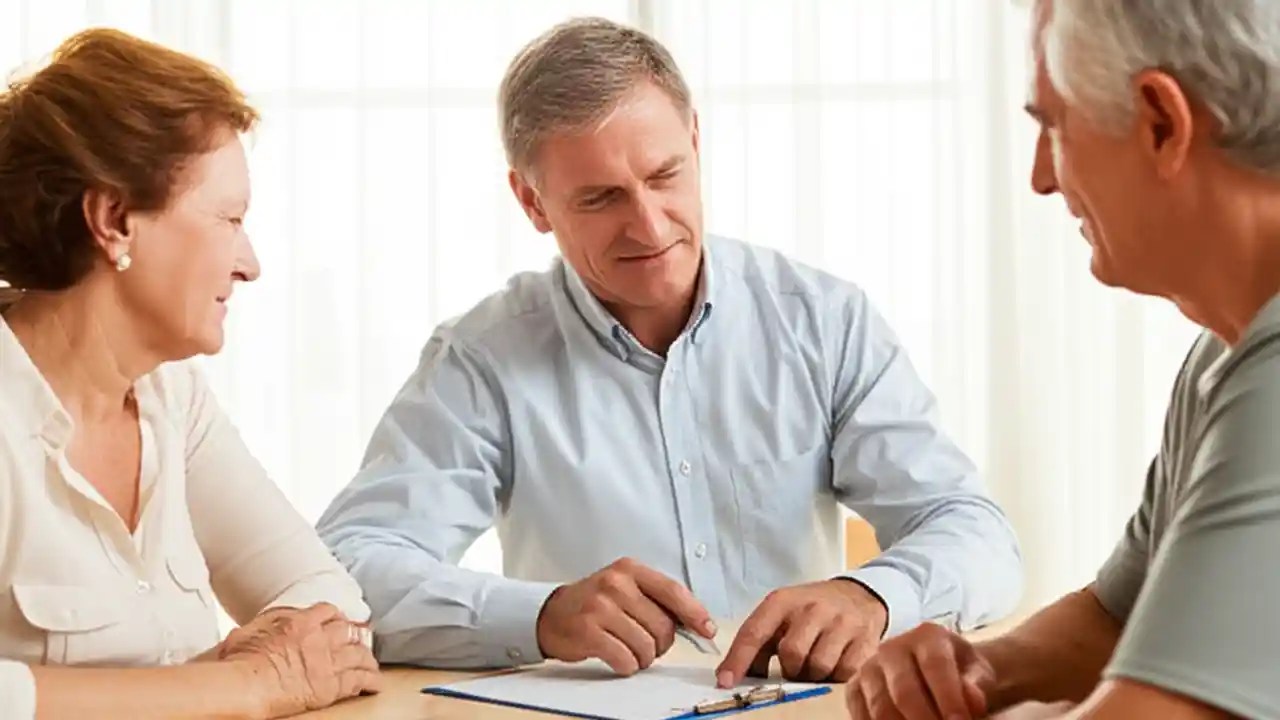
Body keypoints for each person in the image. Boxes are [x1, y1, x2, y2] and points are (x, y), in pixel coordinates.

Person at [318, 16, 1022, 687]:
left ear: (695, 140)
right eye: (600, 199)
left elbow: (977, 537)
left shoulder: (823, 322)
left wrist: (871, 595)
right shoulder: (482, 359)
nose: (649, 225)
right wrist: (540, 614)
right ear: (532, 203)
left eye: (664, 176)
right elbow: (345, 571)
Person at [847, 1, 1280, 718]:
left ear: (1161, 123)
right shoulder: (1226, 351)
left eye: (1054, 124)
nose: (1041, 177)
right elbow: (1117, 622)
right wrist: (977, 670)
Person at [0, 29, 380, 719]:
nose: (250, 263)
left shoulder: (172, 400)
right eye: (228, 218)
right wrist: (243, 686)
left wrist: (195, 690)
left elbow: (331, 605)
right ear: (114, 220)